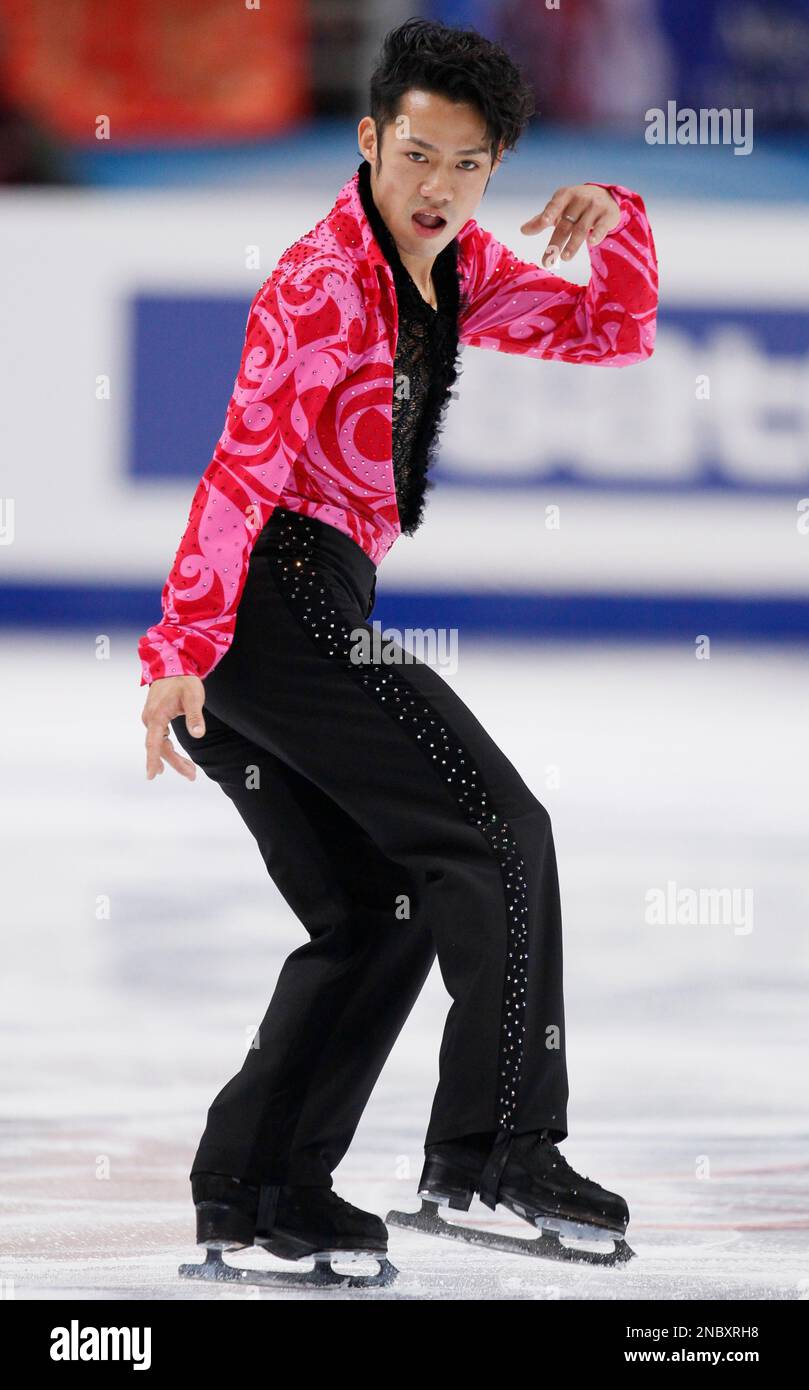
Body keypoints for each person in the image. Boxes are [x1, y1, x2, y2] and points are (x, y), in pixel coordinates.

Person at [138, 17, 658, 1272]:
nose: (435, 188)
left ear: (492, 171)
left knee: (376, 909)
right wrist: (180, 643)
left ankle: (261, 1190)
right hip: (275, 607)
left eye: (466, 166)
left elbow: (611, 331)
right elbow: (240, 461)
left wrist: (619, 214)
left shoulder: (459, 267)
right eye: (415, 155)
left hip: (299, 615)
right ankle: (496, 1155)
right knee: (496, 831)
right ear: (369, 139)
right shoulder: (321, 281)